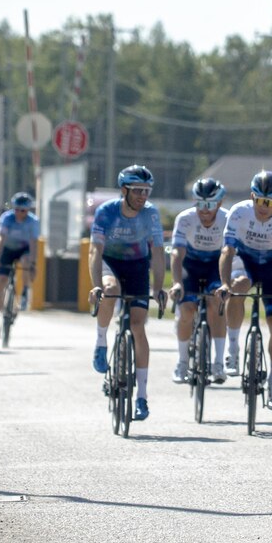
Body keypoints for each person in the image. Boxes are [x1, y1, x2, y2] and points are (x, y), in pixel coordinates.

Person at [88, 165, 166, 422]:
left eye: (146, 191)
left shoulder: (150, 214)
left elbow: (157, 253)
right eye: (137, 191)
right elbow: (95, 251)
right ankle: (101, 342)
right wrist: (96, 285)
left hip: (137, 266)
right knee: (110, 290)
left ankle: (141, 396)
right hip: (110, 262)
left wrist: (158, 288)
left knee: (138, 326)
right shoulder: (106, 212)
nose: (143, 196)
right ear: (124, 190)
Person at [216, 171, 272, 410]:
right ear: (252, 196)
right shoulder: (239, 212)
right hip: (246, 261)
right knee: (238, 286)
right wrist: (225, 284)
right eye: (259, 200)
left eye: (269, 202)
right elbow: (227, 251)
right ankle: (232, 348)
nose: (263, 207)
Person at [169, 178, 230, 385]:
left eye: (210, 204)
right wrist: (177, 283)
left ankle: (218, 363)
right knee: (186, 310)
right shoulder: (185, 219)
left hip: (215, 266)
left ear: (219, 203)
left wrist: (226, 283)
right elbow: (177, 253)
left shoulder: (227, 219)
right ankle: (182, 362)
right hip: (190, 266)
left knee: (216, 304)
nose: (204, 210)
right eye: (200, 203)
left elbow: (229, 253)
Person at [0, 192, 41, 336]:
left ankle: (24, 291)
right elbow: (0, 239)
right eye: (16, 209)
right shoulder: (7, 218)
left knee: (25, 262)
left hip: (24, 250)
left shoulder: (33, 221)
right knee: (1, 281)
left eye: (23, 210)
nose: (19, 213)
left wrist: (33, 263)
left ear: (28, 210)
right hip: (7, 249)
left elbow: (33, 243)